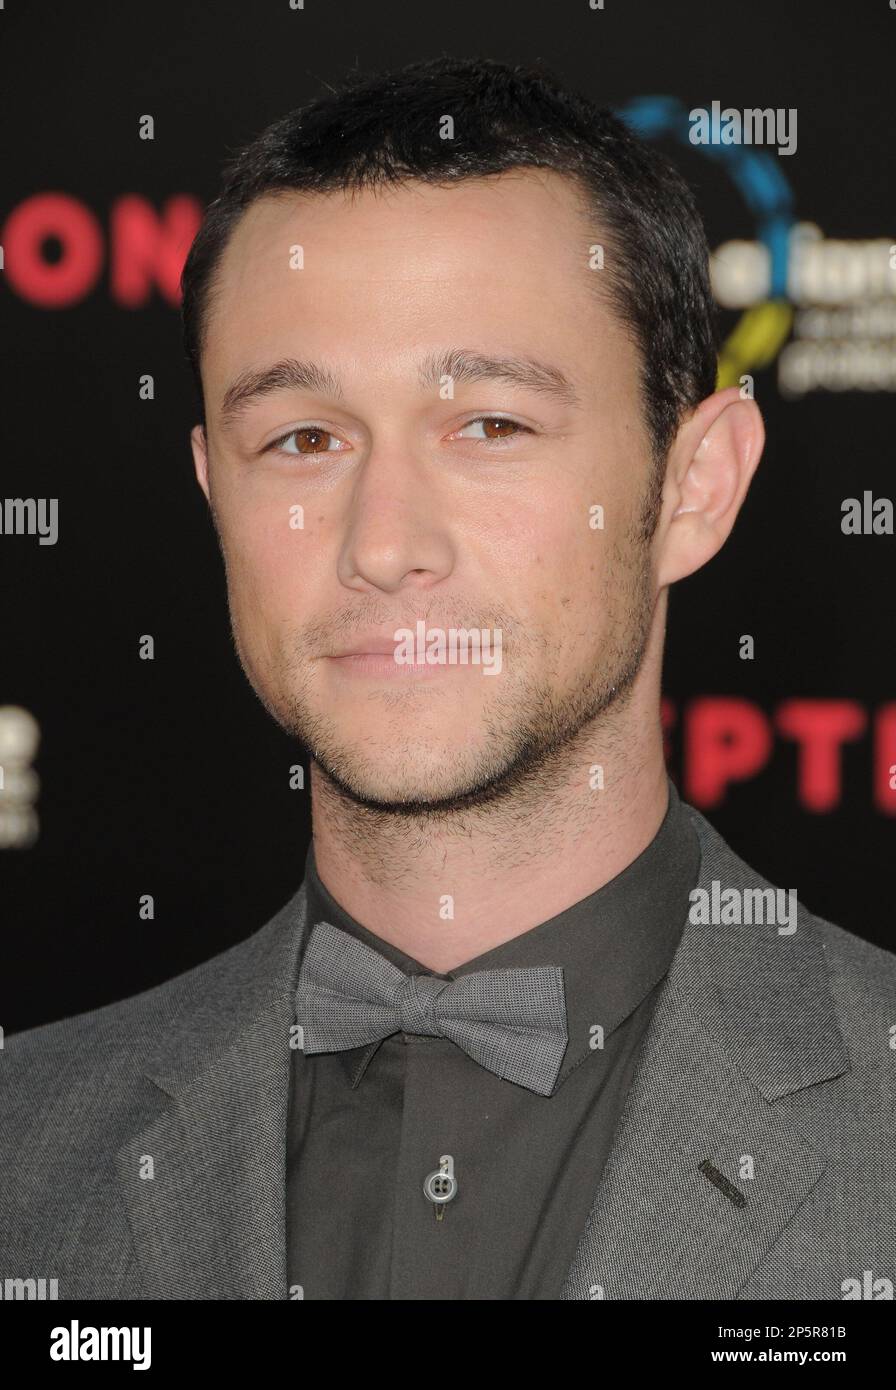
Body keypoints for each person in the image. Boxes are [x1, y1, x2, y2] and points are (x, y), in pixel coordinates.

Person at [1, 56, 893, 1302]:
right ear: (215, 492)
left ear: (692, 488)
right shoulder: (22, 1149)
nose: (382, 544)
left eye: (488, 426)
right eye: (302, 439)